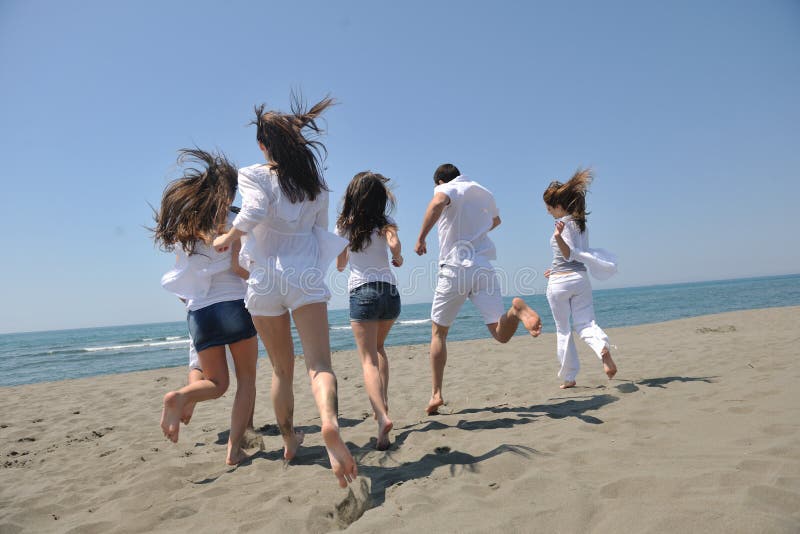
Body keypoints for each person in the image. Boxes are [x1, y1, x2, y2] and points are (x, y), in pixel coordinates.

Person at [213, 95, 358, 487]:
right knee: (320, 365)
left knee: (281, 369)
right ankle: (329, 423)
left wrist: (231, 232)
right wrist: (341, 256)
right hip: (304, 276)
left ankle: (291, 440)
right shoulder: (316, 186)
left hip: (263, 281)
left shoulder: (254, 174)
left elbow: (256, 209)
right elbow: (320, 232)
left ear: (263, 145)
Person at [154, 149, 259, 466]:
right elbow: (240, 270)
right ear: (228, 193)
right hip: (233, 306)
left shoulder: (187, 231)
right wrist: (260, 278)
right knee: (245, 382)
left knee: (215, 382)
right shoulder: (232, 223)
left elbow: (180, 282)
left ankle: (182, 396)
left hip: (199, 313)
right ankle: (234, 449)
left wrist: (195, 307)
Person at [415, 163, 543, 415]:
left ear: (440, 181)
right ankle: (516, 311)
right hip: (483, 265)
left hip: (455, 266)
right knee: (500, 333)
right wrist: (475, 230)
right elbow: (496, 220)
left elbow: (437, 203)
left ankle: (436, 393)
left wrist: (421, 238)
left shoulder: (446, 189)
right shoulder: (483, 191)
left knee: (438, 333)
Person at [335, 172, 402, 450]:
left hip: (362, 292)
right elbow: (395, 247)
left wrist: (342, 262)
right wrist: (396, 257)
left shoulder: (345, 226)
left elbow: (340, 262)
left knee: (368, 360)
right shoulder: (387, 224)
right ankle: (381, 406)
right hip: (390, 293)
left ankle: (382, 415)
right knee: (379, 349)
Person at [542, 168, 617, 389]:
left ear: (558, 206)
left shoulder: (562, 225)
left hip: (559, 284)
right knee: (586, 323)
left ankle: (569, 377)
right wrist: (552, 269)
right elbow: (574, 255)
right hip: (579, 279)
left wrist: (557, 237)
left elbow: (568, 252)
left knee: (563, 329)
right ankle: (602, 349)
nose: (547, 212)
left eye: (548, 207)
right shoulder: (581, 223)